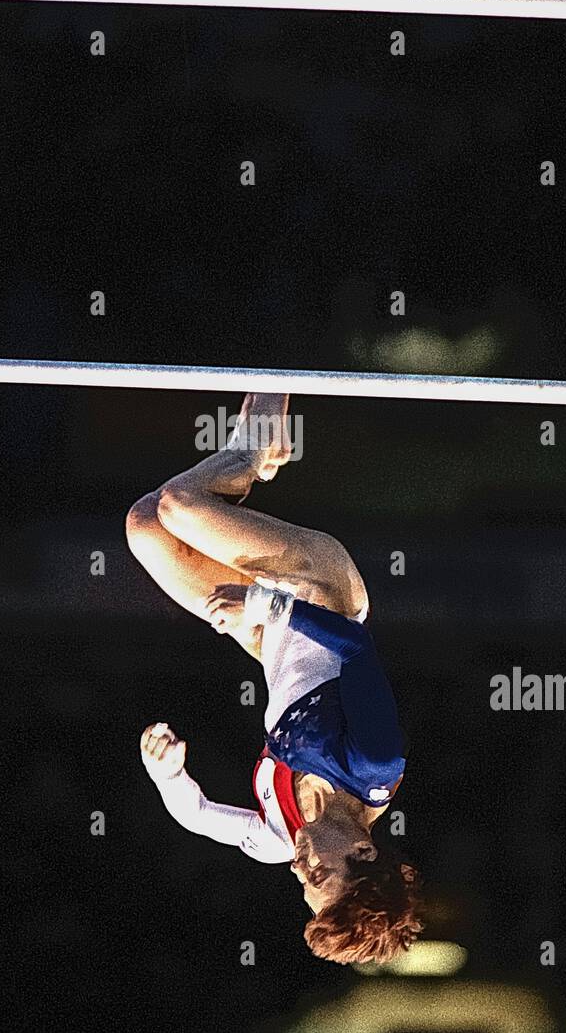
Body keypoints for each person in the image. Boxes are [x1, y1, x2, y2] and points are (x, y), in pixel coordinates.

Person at [126, 393, 421, 964]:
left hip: (266, 639)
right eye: (320, 873)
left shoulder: (280, 838)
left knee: (145, 527)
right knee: (180, 506)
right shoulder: (375, 764)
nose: (299, 867)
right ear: (363, 851)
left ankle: (253, 445)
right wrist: (267, 604)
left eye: (301, 884)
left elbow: (200, 816)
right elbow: (356, 647)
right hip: (320, 592)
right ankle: (258, 422)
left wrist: (168, 775)